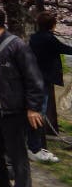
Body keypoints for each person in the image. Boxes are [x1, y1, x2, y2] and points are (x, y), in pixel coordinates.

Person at [0, 5, 44, 187]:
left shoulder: (16, 45)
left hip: (13, 110)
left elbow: (33, 77)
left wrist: (33, 108)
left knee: (17, 156)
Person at [27, 11, 72, 163]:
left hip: (35, 77)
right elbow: (66, 49)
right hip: (43, 79)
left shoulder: (34, 37)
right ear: (52, 25)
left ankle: (33, 145)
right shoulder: (48, 38)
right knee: (39, 113)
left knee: (37, 112)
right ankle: (35, 148)